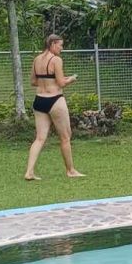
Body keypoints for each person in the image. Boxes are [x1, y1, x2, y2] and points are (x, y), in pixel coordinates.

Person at [25, 34, 85, 181]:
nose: (61, 48)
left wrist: (47, 82)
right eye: (60, 45)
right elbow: (61, 83)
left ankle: (29, 172)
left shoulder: (37, 59)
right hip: (55, 100)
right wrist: (71, 79)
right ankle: (70, 170)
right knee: (65, 137)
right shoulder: (56, 60)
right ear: (52, 44)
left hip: (39, 101)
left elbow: (33, 81)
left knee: (39, 138)